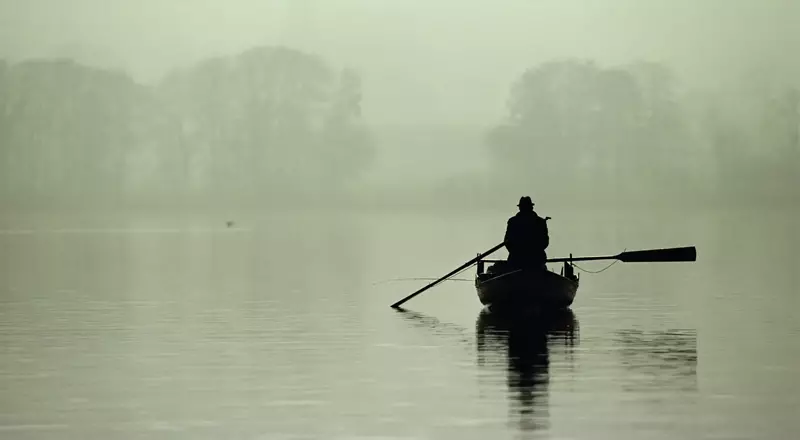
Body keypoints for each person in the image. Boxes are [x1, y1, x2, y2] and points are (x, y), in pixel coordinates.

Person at [504, 196, 549, 269]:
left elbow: (507, 242)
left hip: (531, 261)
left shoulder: (513, 222)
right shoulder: (540, 222)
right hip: (531, 261)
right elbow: (545, 242)